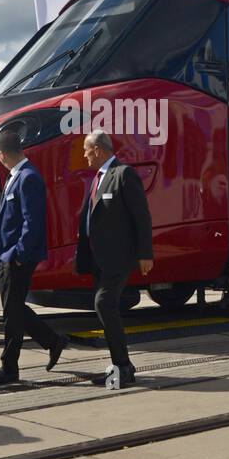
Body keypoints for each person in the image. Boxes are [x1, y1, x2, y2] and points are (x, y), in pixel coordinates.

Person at [0, 130, 66, 386]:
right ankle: (53, 341)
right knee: (15, 309)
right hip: (9, 256)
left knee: (12, 313)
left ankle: (9, 368)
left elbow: (33, 221)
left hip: (17, 257)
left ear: (2, 154)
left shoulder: (27, 177)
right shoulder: (16, 176)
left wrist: (19, 254)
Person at [75, 129, 153, 389]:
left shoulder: (124, 175)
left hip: (119, 256)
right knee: (104, 306)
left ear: (98, 149)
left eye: (87, 150)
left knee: (104, 303)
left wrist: (145, 253)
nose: (84, 155)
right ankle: (121, 366)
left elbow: (141, 216)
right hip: (99, 258)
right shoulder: (97, 178)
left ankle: (123, 367)